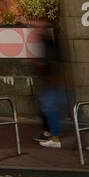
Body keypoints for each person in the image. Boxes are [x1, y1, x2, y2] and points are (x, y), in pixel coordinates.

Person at [31, 18, 67, 148]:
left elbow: (52, 63)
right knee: (48, 109)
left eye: (40, 28)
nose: (37, 31)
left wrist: (48, 77)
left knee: (50, 109)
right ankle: (51, 135)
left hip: (53, 83)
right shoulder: (48, 43)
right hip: (52, 82)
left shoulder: (50, 44)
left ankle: (55, 138)